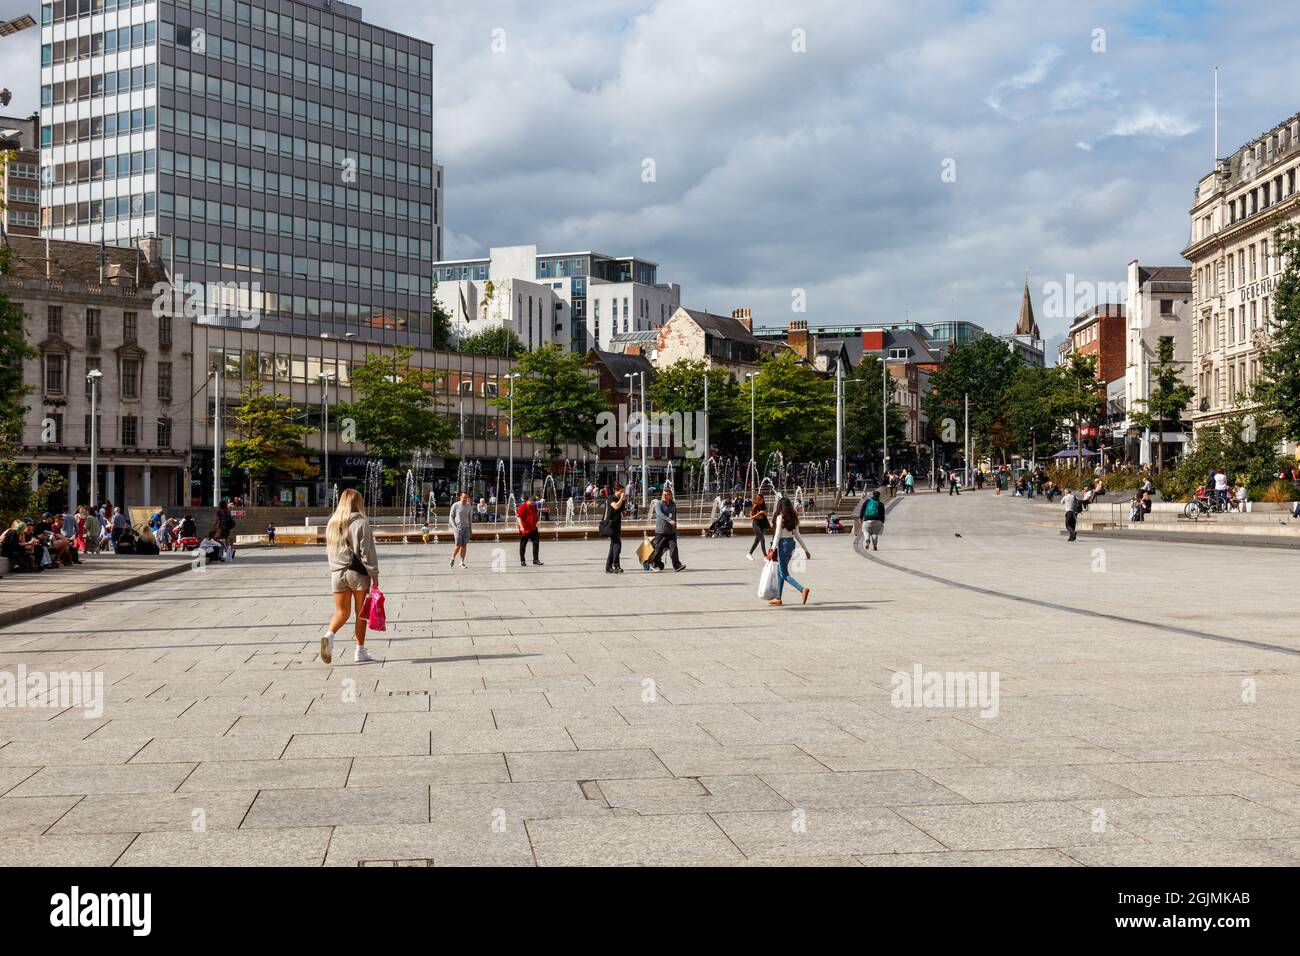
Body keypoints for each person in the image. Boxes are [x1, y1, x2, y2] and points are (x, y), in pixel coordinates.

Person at [321, 488, 379, 665]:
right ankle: (359, 651)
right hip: (357, 573)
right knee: (361, 614)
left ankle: (329, 636)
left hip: (337, 573)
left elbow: (330, 551)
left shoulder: (332, 522)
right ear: (358, 502)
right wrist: (374, 574)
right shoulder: (361, 522)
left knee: (341, 612)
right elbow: (367, 552)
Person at [768, 496, 810, 607]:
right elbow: (798, 535)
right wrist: (806, 550)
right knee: (779, 570)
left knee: (784, 573)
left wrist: (772, 550)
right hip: (791, 545)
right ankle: (778, 598)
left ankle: (802, 589)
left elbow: (777, 535)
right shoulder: (793, 518)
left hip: (783, 545)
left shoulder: (780, 518)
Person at [647, 488, 685, 572]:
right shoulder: (658, 504)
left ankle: (677, 565)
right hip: (661, 531)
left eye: (666, 494)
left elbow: (674, 517)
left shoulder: (673, 504)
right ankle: (654, 564)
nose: (664, 496)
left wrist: (675, 529)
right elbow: (659, 514)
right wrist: (669, 520)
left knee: (674, 548)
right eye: (663, 494)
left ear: (670, 495)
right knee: (658, 549)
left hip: (671, 532)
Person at [604, 482, 626, 573]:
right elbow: (616, 507)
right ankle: (616, 565)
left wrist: (627, 510)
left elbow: (623, 513)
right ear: (617, 491)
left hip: (617, 525)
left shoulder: (620, 500)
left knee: (613, 546)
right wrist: (621, 499)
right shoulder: (611, 498)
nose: (623, 493)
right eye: (622, 491)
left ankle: (608, 567)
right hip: (611, 525)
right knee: (617, 544)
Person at [517, 494, 543, 567]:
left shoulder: (534, 505)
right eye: (532, 503)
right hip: (525, 529)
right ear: (529, 501)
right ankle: (522, 561)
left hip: (533, 528)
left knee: (536, 543)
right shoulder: (523, 506)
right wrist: (521, 527)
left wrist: (536, 520)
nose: (533, 504)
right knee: (523, 545)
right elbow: (519, 517)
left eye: (534, 503)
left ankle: (535, 560)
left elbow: (535, 513)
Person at [449, 490, 472, 568]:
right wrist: (454, 528)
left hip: (466, 527)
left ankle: (461, 562)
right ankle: (453, 558)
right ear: (460, 497)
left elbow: (470, 518)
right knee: (458, 545)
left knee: (464, 545)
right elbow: (451, 517)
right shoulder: (455, 505)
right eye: (464, 497)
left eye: (466, 497)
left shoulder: (469, 506)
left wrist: (470, 530)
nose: (465, 499)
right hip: (458, 528)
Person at [747, 493, 769, 561]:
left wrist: (763, 513)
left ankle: (749, 554)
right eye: (761, 500)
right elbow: (751, 517)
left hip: (762, 524)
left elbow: (766, 513)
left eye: (762, 499)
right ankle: (765, 556)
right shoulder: (754, 506)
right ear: (758, 499)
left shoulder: (763, 505)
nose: (762, 501)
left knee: (757, 541)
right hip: (756, 524)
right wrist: (759, 514)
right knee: (762, 539)